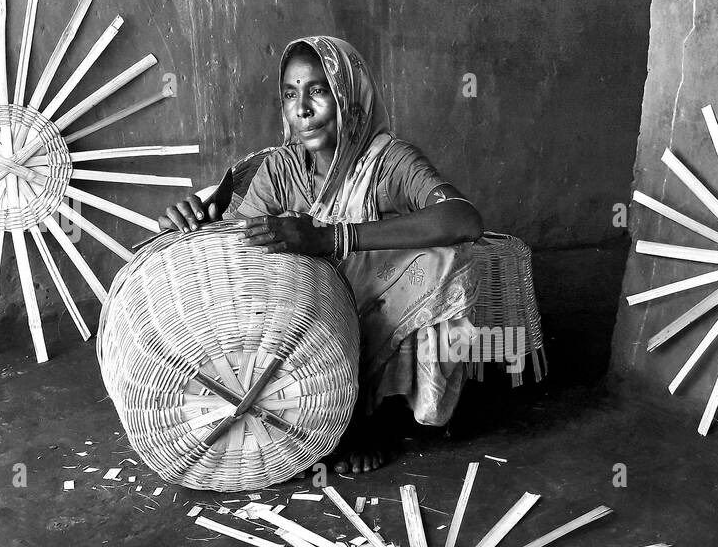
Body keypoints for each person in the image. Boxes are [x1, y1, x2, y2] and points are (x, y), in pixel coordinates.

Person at [159, 35, 483, 475]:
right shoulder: (280, 169)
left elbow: (463, 220)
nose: (302, 110)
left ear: (348, 95)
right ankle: (312, 409)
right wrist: (192, 228)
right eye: (290, 95)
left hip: (375, 320)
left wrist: (331, 239)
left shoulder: (389, 162)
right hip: (308, 330)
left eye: (318, 90)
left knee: (445, 262)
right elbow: (242, 251)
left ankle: (378, 416)